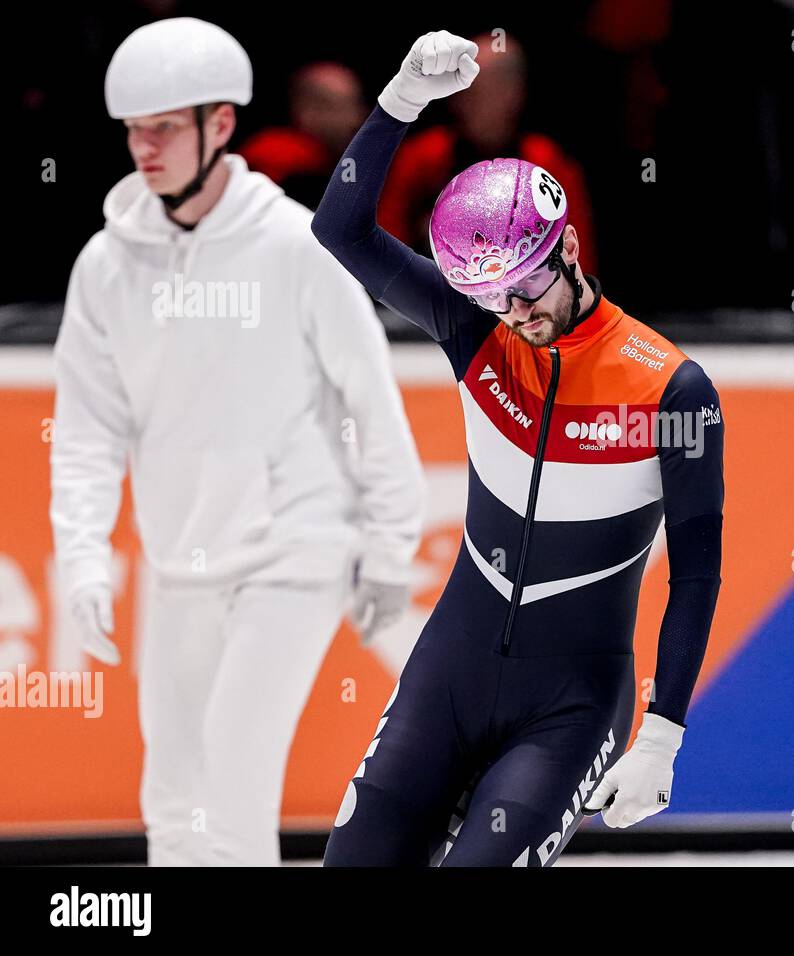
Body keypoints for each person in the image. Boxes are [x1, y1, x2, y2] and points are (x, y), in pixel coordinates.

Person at [312, 30, 725, 867]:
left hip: (568, 708)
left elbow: (698, 571)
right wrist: (399, 102)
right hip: (450, 676)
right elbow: (341, 230)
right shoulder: (476, 328)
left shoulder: (671, 388)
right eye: (489, 295)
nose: (515, 313)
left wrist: (663, 735)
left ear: (569, 248)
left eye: (528, 286)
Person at [49, 17, 425, 866]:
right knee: (172, 800)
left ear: (221, 124)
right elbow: (86, 429)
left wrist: (392, 549)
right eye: (133, 131)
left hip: (294, 548)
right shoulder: (107, 266)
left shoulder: (298, 245)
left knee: (230, 788)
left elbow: (368, 396)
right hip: (181, 559)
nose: (145, 148)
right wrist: (80, 557)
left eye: (165, 127)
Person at [375, 31, 598, 270]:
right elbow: (383, 243)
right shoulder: (421, 155)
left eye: (475, 93)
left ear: (513, 94)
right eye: (459, 93)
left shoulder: (549, 163)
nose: (460, 103)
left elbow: (578, 262)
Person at [240, 62, 368, 209]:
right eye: (339, 108)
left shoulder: (344, 160)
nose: (355, 119)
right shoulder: (277, 160)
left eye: (356, 105)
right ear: (307, 110)